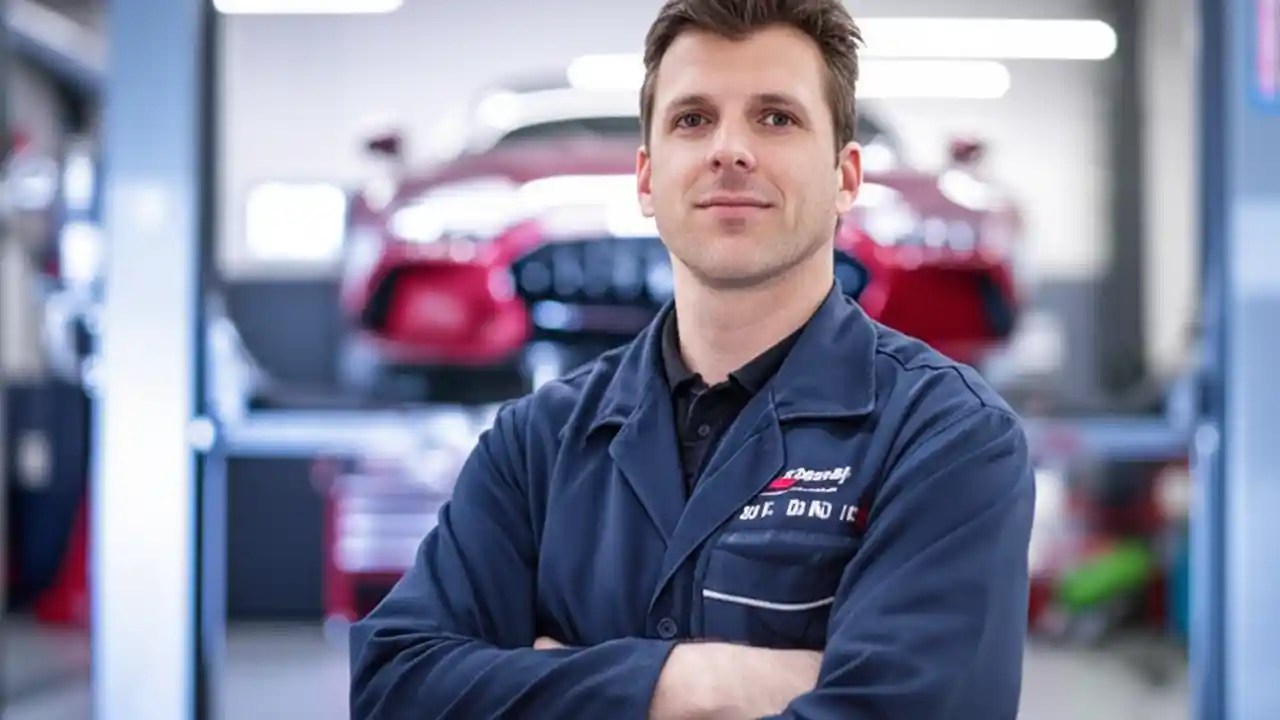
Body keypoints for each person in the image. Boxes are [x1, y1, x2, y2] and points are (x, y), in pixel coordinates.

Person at [349, 0, 1036, 717]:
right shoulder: (535, 446)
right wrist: (703, 685)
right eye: (692, 119)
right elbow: (394, 688)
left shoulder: (949, 439)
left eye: (777, 117)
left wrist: (550, 676)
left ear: (847, 177)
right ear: (646, 178)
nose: (729, 150)